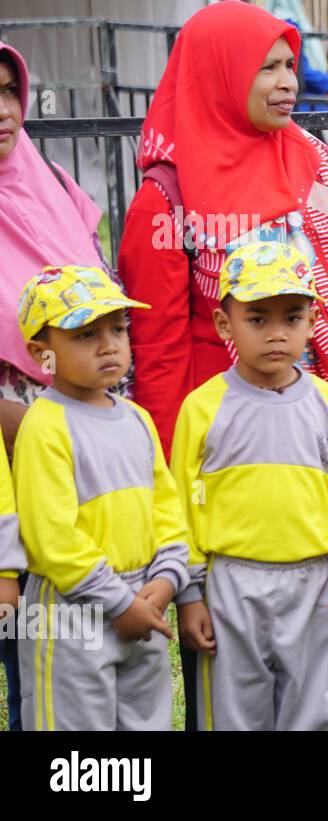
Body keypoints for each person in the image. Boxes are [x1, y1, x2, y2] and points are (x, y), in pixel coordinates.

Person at [117, 1, 328, 731]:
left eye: (291, 63)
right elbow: (159, 361)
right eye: (266, 66)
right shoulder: (162, 200)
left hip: (315, 440)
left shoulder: (315, 166)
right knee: (230, 667)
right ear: (218, 74)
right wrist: (174, 508)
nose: (287, 80)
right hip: (225, 465)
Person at [171, 242, 328, 731]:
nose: (277, 334)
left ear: (312, 322)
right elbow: (177, 509)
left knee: (316, 710)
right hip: (230, 587)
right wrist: (190, 593)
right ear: (226, 325)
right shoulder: (202, 409)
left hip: (317, 585)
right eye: (257, 319)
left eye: (292, 317)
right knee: (233, 713)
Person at [14, 266, 189, 731]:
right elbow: (50, 537)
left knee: (145, 720)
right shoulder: (45, 426)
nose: (109, 344)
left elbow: (167, 510)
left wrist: (168, 577)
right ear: (42, 354)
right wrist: (118, 602)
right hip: (75, 611)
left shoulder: (136, 419)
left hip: (144, 600)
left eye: (118, 329)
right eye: (86, 333)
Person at [0, 38, 112, 731]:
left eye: (8, 92)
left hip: (76, 439)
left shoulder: (53, 187)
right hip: (14, 440)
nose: (2, 111)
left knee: (62, 646)